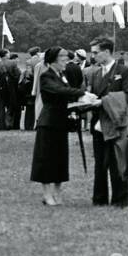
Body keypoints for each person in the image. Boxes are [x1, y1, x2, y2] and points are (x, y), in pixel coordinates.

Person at [31, 47, 94, 205]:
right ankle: (47, 195)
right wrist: (81, 94)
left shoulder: (63, 75)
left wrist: (83, 102)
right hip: (48, 123)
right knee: (46, 159)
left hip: (61, 122)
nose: (66, 60)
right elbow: (58, 91)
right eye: (63, 58)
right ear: (53, 60)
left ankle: (57, 194)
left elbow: (65, 92)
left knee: (60, 159)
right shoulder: (46, 76)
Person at [87, 38, 128, 207]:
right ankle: (99, 199)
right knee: (100, 163)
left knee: (117, 162)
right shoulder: (94, 73)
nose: (92, 56)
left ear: (106, 52)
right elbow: (92, 94)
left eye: (95, 52)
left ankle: (120, 200)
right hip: (98, 123)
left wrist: (103, 101)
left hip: (116, 122)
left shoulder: (125, 70)